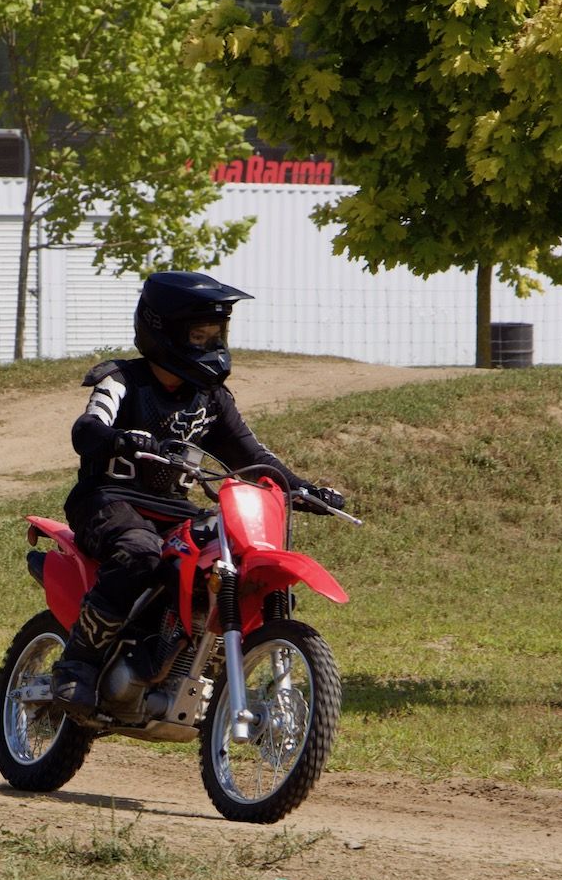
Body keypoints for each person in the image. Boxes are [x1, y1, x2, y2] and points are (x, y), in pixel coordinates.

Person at [49, 270, 345, 717]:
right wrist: (122, 439)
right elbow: (87, 429)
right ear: (163, 329)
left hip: (175, 509)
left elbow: (254, 456)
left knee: (227, 565)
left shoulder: (212, 398)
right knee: (141, 553)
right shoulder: (122, 379)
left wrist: (301, 489)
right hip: (108, 501)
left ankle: (186, 658)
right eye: (199, 334)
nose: (212, 344)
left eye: (217, 333)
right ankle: (78, 664)